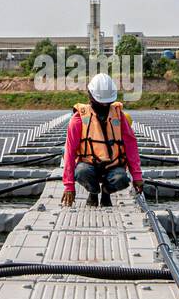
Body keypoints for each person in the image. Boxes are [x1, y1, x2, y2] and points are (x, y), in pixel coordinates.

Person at [60, 73, 143, 207]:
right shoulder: (78, 119)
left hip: (113, 166)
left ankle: (106, 193)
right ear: (90, 95)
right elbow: (69, 152)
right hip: (88, 166)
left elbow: (131, 145)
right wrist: (69, 186)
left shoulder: (119, 116)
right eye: (101, 102)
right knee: (81, 172)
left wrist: (137, 176)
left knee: (122, 179)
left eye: (107, 103)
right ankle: (93, 193)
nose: (104, 106)